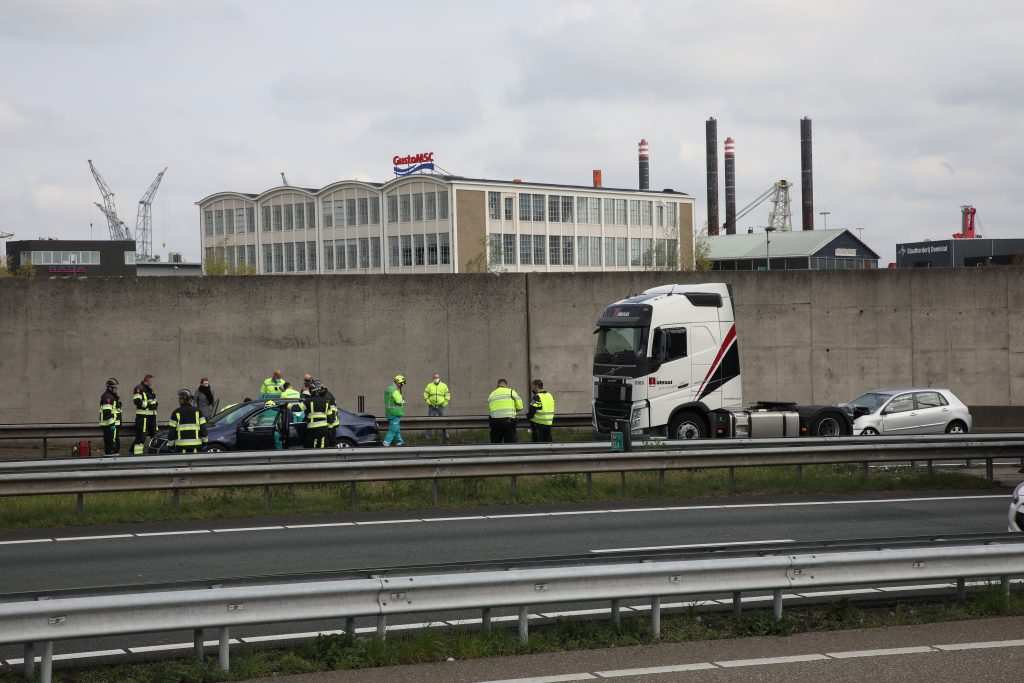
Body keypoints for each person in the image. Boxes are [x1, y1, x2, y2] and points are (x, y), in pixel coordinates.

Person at [166, 389, 208, 454]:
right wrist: (205, 442)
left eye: (180, 398)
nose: (179, 400)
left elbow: (172, 432)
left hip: (180, 447)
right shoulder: (198, 412)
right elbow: (203, 429)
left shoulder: (176, 412)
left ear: (186, 400)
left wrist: (171, 446)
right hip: (196, 446)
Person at [487, 378, 523, 444]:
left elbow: (490, 409)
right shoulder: (511, 391)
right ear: (506, 385)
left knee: (495, 444)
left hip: (494, 422)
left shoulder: (491, 394)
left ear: (497, 385)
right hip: (508, 421)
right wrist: (513, 411)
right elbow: (520, 407)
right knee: (510, 444)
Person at [131, 374, 158, 455]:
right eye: (151, 380)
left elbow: (154, 401)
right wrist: (149, 405)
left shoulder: (150, 389)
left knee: (155, 436)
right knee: (141, 437)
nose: (152, 382)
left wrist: (155, 404)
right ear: (147, 380)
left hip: (152, 417)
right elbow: (137, 401)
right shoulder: (139, 388)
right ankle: (137, 455)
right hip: (143, 418)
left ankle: (154, 454)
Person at [423, 372, 451, 442]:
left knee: (444, 422)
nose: (436, 379)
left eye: (437, 377)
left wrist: (444, 404)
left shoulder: (444, 386)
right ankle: (428, 437)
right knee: (430, 422)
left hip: (441, 406)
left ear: (439, 378)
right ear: (433, 378)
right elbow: (425, 394)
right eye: (435, 377)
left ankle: (445, 436)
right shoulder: (429, 386)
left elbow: (447, 395)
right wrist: (429, 403)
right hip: (432, 407)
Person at [98, 377, 122, 456]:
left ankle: (113, 461)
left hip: (114, 425)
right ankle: (110, 463)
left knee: (114, 445)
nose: (116, 389)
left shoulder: (112, 397)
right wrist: (112, 424)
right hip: (110, 425)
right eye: (115, 388)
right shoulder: (107, 397)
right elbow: (107, 412)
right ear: (110, 388)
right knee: (111, 445)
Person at [304, 380, 331, 448]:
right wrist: (329, 429)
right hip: (323, 429)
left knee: (313, 448)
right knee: (322, 447)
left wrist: (288, 404)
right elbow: (330, 418)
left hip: (312, 430)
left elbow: (297, 408)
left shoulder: (308, 401)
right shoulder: (326, 402)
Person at [528, 379, 556, 443]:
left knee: (538, 446)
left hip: (538, 425)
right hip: (548, 424)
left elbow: (531, 412)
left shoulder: (537, 397)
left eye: (532, 387)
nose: (532, 389)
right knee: (548, 445)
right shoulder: (550, 395)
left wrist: (528, 415)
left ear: (536, 387)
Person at [383, 374, 406, 447]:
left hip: (389, 412)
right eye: (402, 384)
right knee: (393, 430)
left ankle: (400, 442)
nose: (401, 385)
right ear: (399, 383)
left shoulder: (388, 389)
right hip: (395, 412)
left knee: (396, 428)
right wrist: (403, 401)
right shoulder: (395, 390)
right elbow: (399, 400)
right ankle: (385, 444)